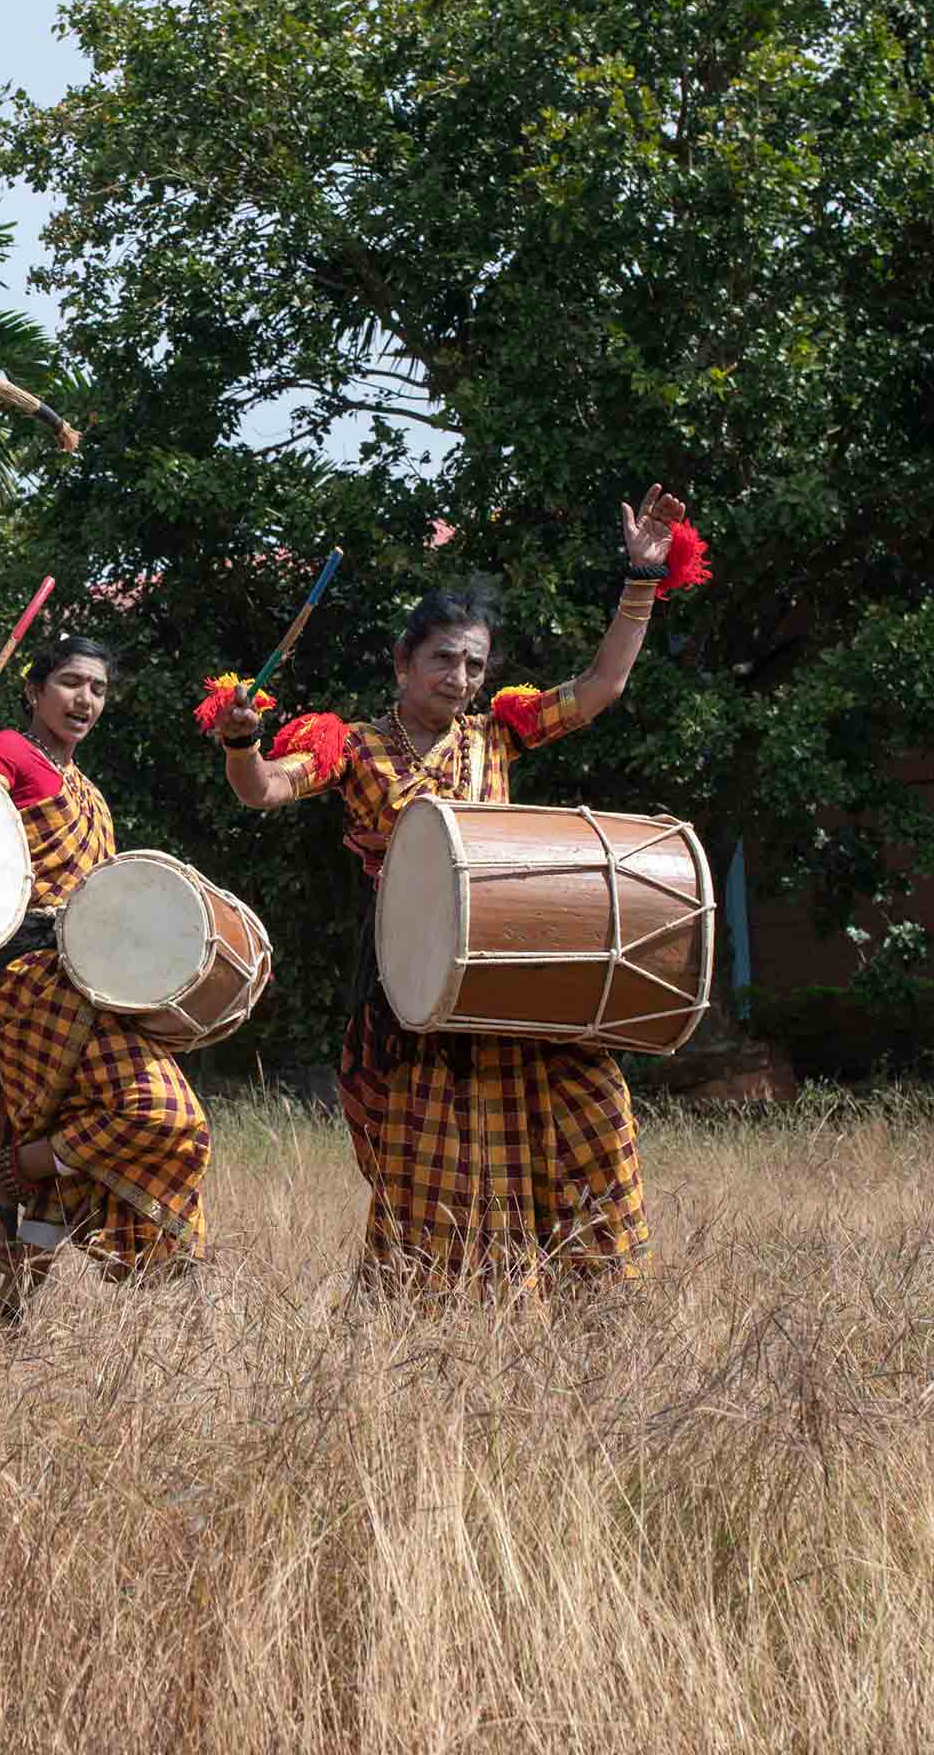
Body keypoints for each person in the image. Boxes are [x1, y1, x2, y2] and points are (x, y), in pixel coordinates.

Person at [205, 491, 701, 1300]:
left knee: (591, 1113)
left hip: (514, 970)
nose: (460, 678)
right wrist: (240, 744)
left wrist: (640, 579)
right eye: (443, 660)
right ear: (403, 663)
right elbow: (262, 789)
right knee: (430, 1159)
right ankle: (429, 1317)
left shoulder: (499, 731)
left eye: (474, 665)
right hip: (412, 983)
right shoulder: (351, 745)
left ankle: (590, 1300)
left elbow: (603, 685)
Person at [0, 635, 209, 1316]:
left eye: (98, 688)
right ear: (34, 690)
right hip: (35, 976)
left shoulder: (90, 792)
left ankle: (13, 1310)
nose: (85, 699)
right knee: (164, 1115)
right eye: (70, 682)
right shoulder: (10, 751)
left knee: (71, 1144)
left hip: (92, 978)